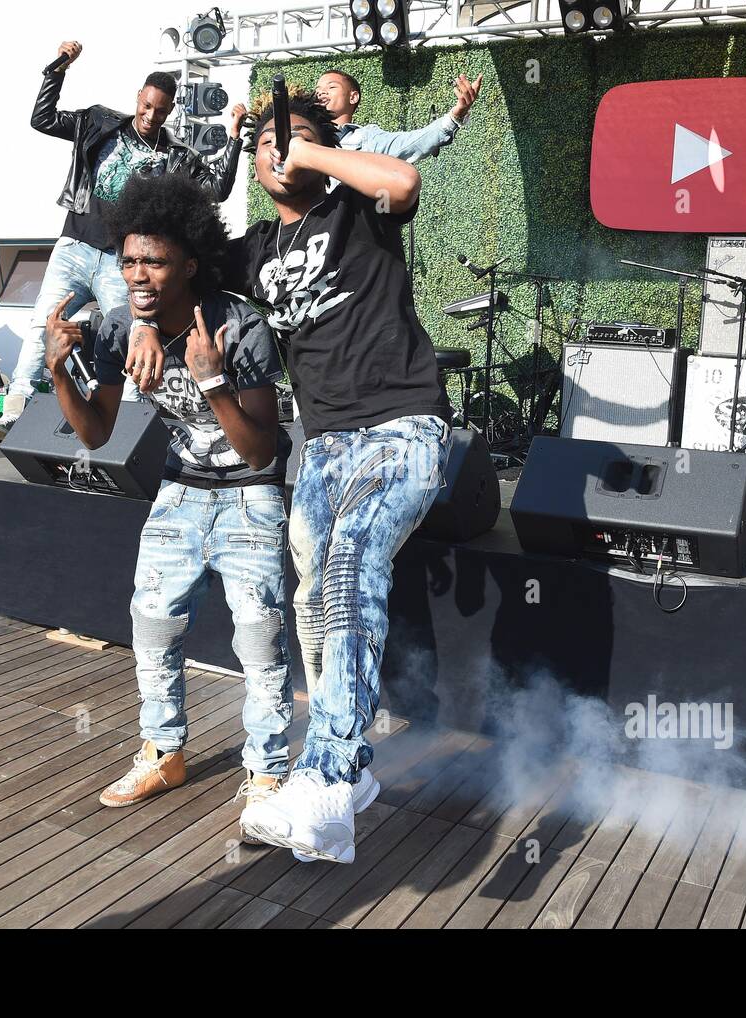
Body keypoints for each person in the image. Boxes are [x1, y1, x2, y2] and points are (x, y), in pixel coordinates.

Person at [228, 88, 453, 863]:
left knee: (355, 560)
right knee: (316, 604)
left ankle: (322, 774)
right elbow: (177, 259)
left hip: (401, 428)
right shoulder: (255, 248)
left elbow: (404, 182)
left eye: (291, 139)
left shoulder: (357, 210)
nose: (276, 149)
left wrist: (311, 146)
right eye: (266, 144)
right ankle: (351, 775)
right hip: (321, 448)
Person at [44, 170, 293, 840]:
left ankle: (266, 770)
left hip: (249, 497)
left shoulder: (239, 324)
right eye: (128, 259)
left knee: (258, 638)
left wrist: (210, 379)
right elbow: (95, 432)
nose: (138, 273)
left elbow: (262, 452)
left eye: (154, 260)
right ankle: (164, 753)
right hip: (180, 490)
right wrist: (58, 369)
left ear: (190, 261)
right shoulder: (119, 327)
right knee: (151, 624)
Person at [0, 39, 248, 441]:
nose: (150, 115)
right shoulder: (98, 123)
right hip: (74, 245)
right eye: (146, 105)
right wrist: (58, 68)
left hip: (118, 261)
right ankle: (16, 407)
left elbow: (217, 189)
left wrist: (233, 137)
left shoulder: (176, 157)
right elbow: (42, 119)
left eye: (160, 111)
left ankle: (130, 420)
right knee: (43, 321)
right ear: (138, 98)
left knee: (131, 333)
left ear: (170, 110)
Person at [315, 68, 482, 162]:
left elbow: (411, 143)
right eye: (318, 90)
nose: (321, 93)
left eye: (331, 87)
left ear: (353, 97)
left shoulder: (367, 140)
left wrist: (456, 115)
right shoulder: (301, 135)